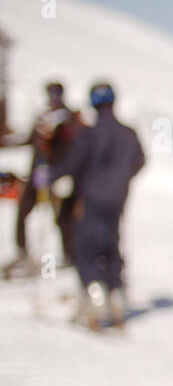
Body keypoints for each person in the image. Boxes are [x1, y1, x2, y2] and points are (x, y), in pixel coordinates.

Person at [37, 83, 144, 329]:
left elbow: (73, 163)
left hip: (91, 198)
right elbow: (140, 160)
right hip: (117, 198)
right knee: (111, 244)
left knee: (85, 247)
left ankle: (95, 297)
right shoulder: (129, 134)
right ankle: (116, 294)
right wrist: (121, 179)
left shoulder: (90, 134)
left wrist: (49, 175)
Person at [2, 81, 84, 279]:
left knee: (61, 216)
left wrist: (60, 170)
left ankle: (70, 254)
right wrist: (6, 143)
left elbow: (73, 147)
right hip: (35, 174)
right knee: (23, 211)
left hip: (56, 175)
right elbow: (30, 140)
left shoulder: (68, 119)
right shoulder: (43, 117)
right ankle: (22, 251)